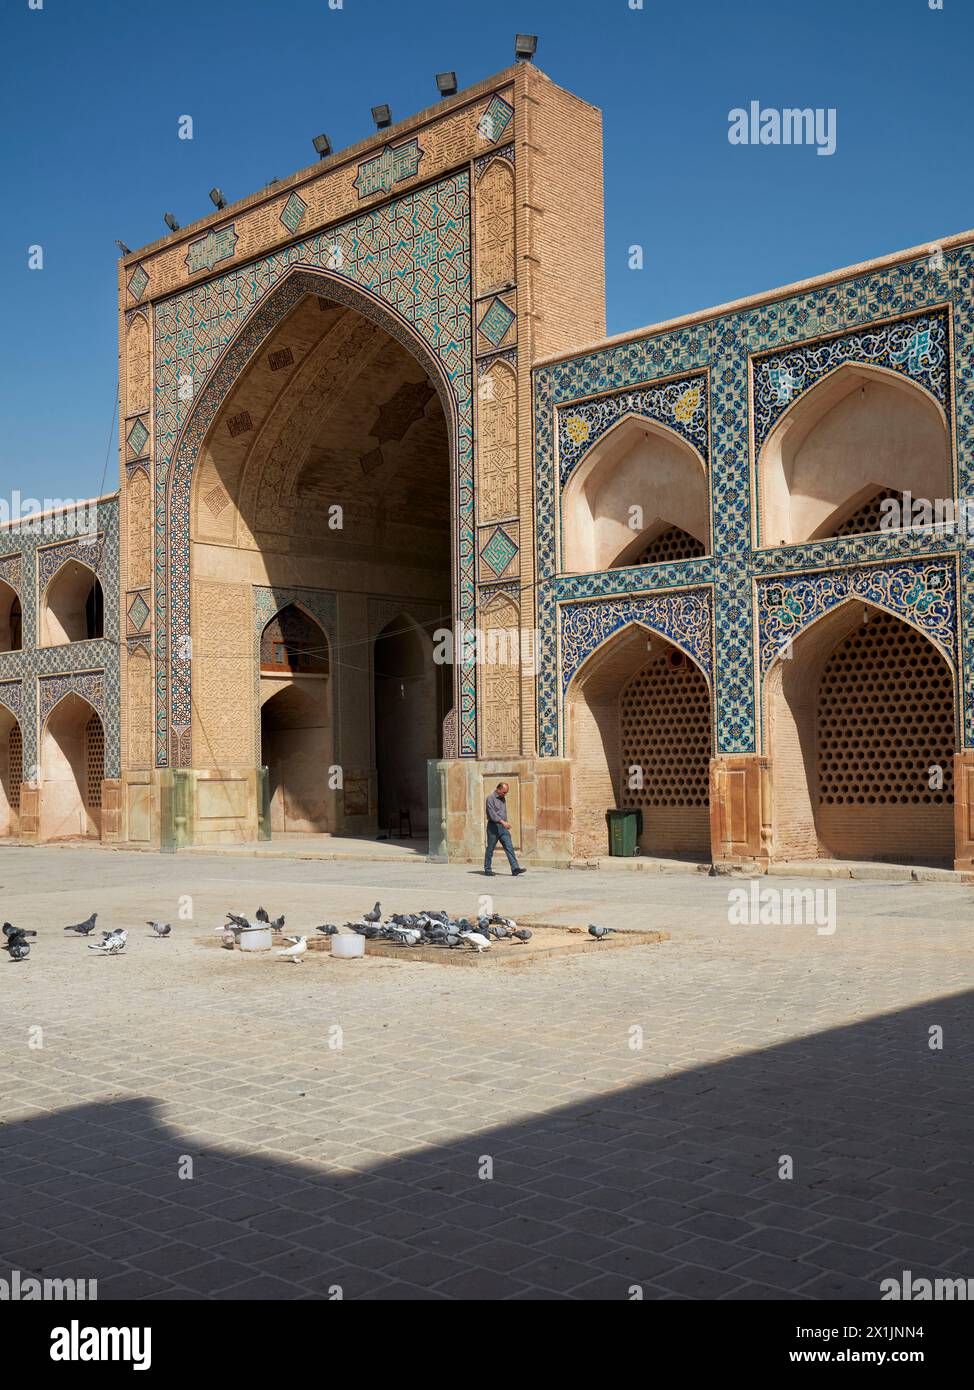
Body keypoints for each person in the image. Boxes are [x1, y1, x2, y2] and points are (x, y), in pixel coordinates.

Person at [484, 782, 526, 876]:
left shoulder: (503, 798)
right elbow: (492, 814)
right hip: (493, 827)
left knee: (509, 847)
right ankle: (487, 869)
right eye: (503, 792)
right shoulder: (490, 798)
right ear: (498, 789)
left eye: (506, 792)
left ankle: (515, 868)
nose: (504, 794)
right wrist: (503, 822)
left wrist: (504, 823)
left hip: (503, 827)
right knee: (490, 848)